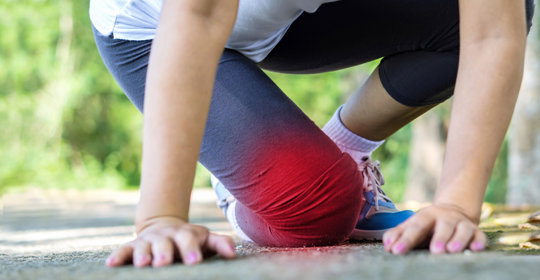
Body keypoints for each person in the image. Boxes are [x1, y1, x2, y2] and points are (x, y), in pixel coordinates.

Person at [90, 0, 535, 268]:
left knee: (505, 8)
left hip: (288, 20)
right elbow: (200, 13)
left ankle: (344, 149)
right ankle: (239, 179)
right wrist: (160, 219)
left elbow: (492, 34)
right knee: (319, 212)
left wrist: (457, 207)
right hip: (159, 26)